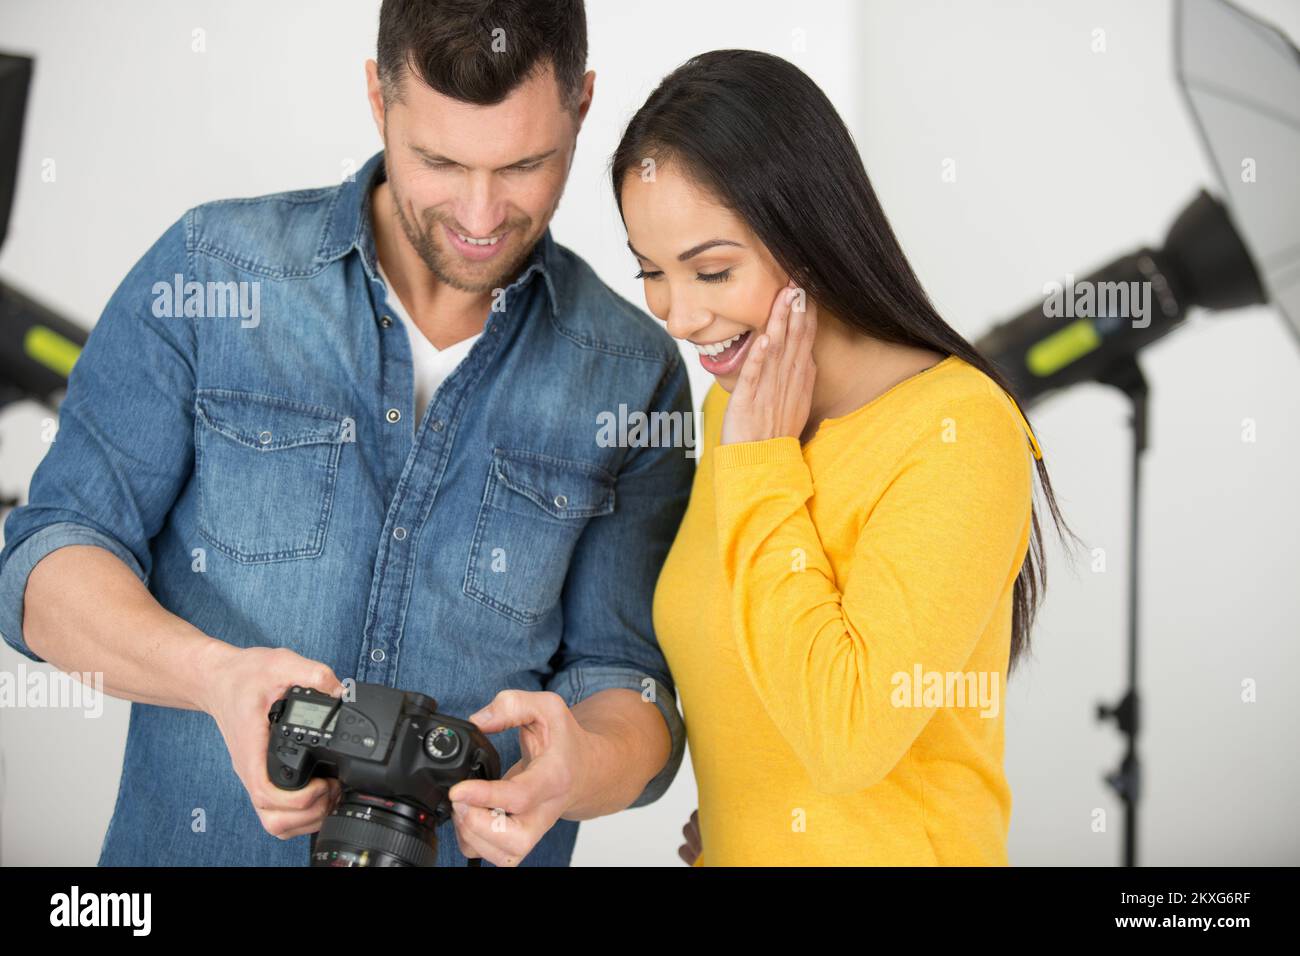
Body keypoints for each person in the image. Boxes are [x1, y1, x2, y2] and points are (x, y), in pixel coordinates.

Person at [0, 0, 691, 867]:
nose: (480, 215)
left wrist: (580, 763)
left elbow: (630, 685)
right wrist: (214, 677)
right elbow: (45, 564)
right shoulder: (213, 272)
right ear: (377, 97)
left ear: (583, 105)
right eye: (438, 160)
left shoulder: (632, 372)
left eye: (525, 164)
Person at [612, 49, 1081, 865]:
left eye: (712, 270)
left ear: (809, 237)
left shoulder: (960, 431)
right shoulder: (739, 403)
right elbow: (756, 689)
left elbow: (848, 736)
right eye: (651, 271)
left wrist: (760, 465)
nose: (679, 316)